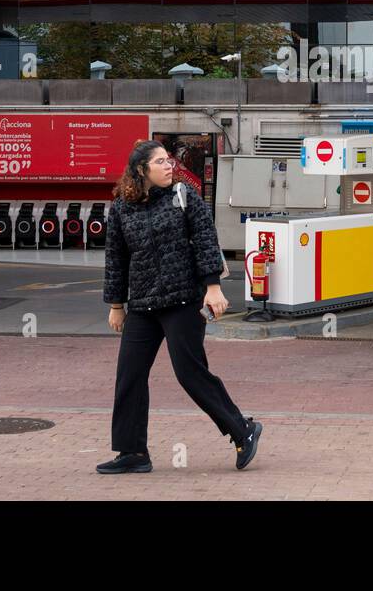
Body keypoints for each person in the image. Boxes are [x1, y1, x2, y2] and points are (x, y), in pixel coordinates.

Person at [98, 139, 262, 474]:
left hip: (184, 300)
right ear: (141, 170)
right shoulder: (121, 207)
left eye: (169, 160)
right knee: (129, 375)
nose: (169, 166)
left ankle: (241, 428)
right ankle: (133, 453)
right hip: (143, 305)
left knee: (189, 373)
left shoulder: (184, 198)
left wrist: (213, 288)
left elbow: (205, 241)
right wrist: (117, 305)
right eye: (160, 162)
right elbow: (116, 259)